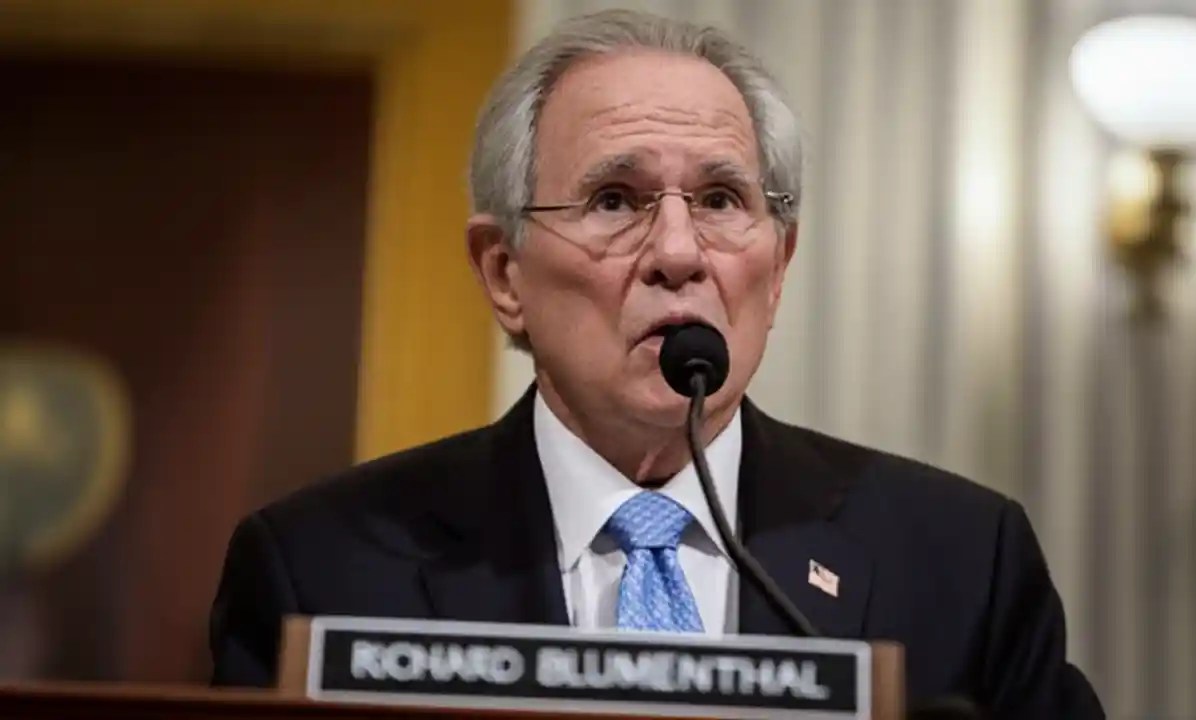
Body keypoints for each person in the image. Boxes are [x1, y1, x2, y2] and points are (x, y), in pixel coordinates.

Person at [209, 9, 1104, 717]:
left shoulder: (958, 561)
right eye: (614, 199)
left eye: (720, 198)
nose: (679, 252)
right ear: (504, 272)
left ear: (779, 265)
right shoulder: (319, 574)